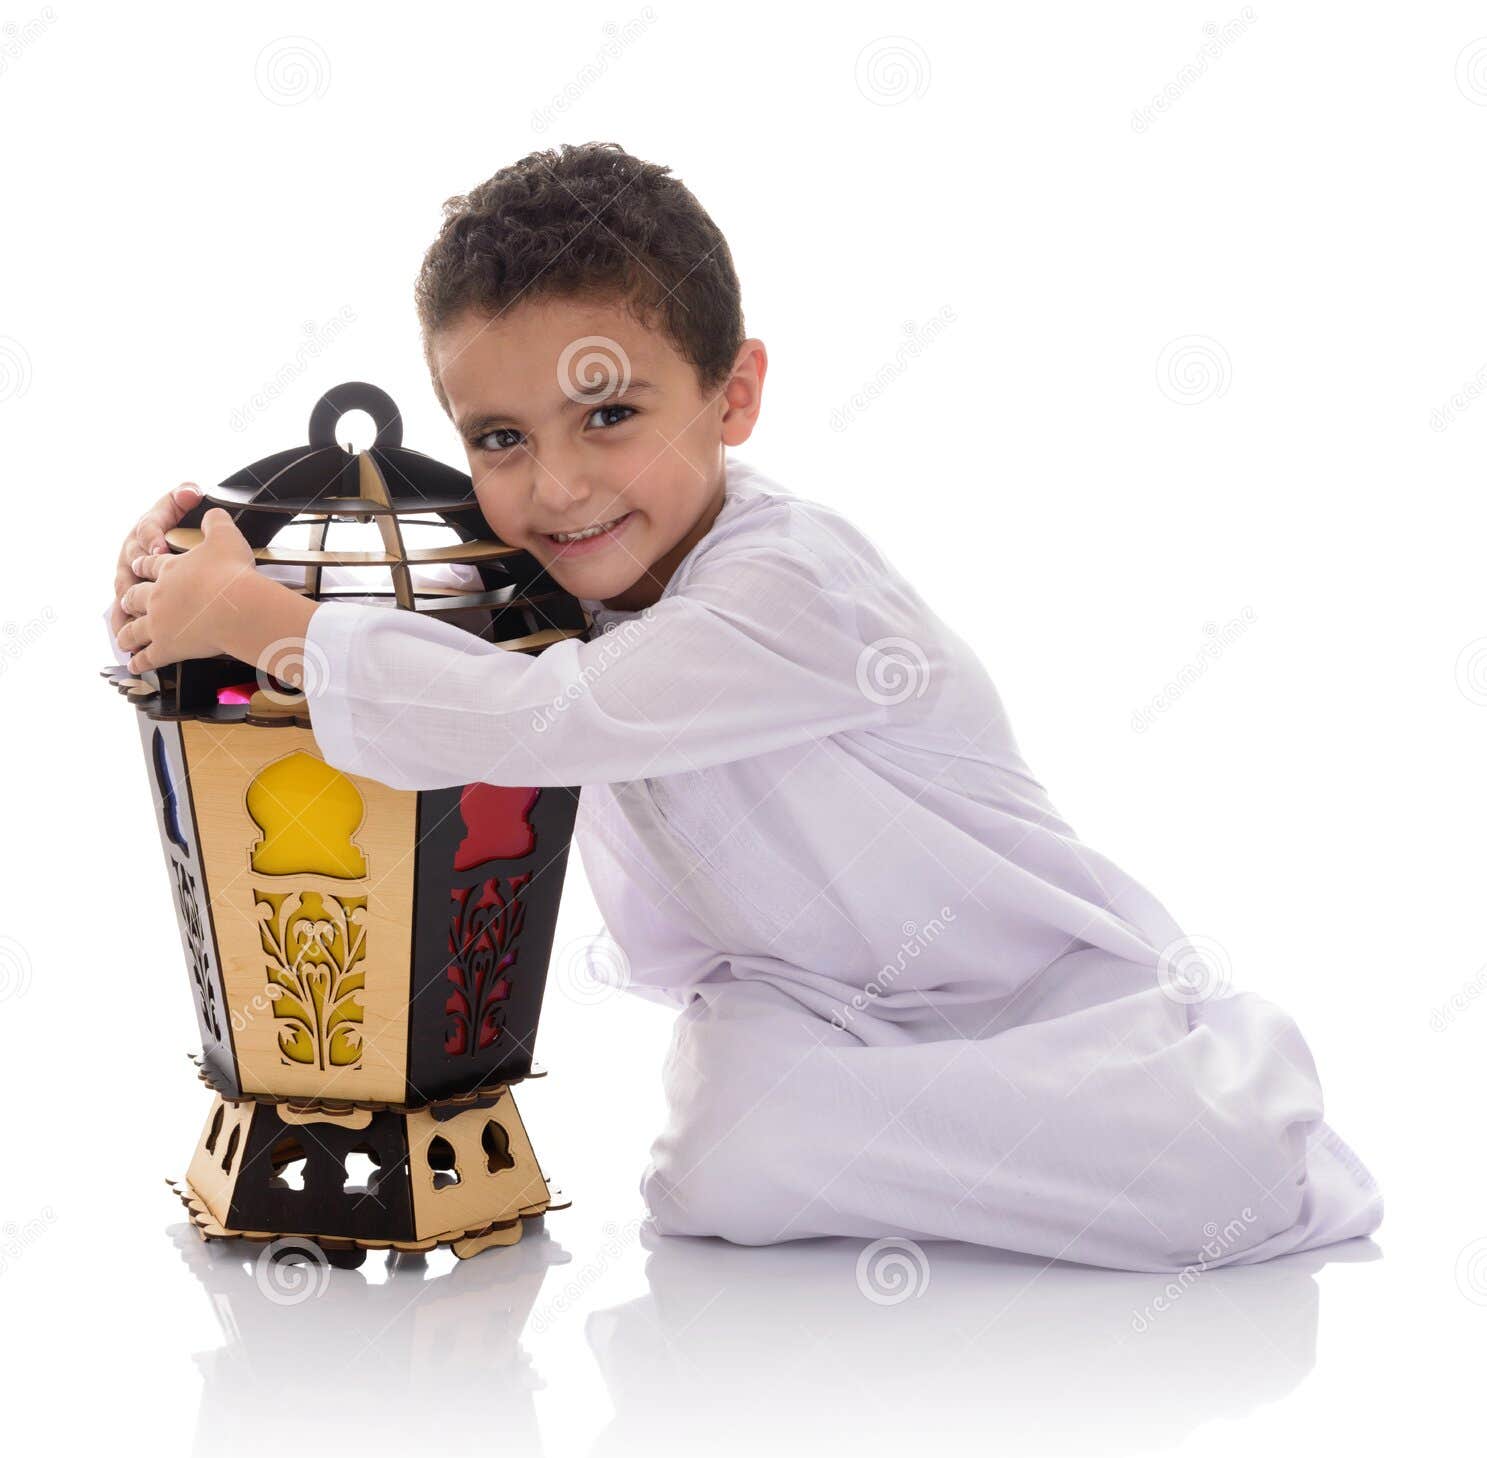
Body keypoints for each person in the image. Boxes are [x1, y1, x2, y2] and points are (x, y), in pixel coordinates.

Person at [107, 142, 1383, 1273]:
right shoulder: (559, 587)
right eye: (498, 438)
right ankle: (930, 1146)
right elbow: (406, 616)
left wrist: (264, 624)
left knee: (1224, 1168)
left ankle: (1193, 1100)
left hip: (1040, 1004)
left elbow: (544, 716)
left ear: (733, 395)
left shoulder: (790, 583)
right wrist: (192, 581)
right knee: (718, 1170)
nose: (555, 485)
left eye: (609, 414)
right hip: (806, 1010)